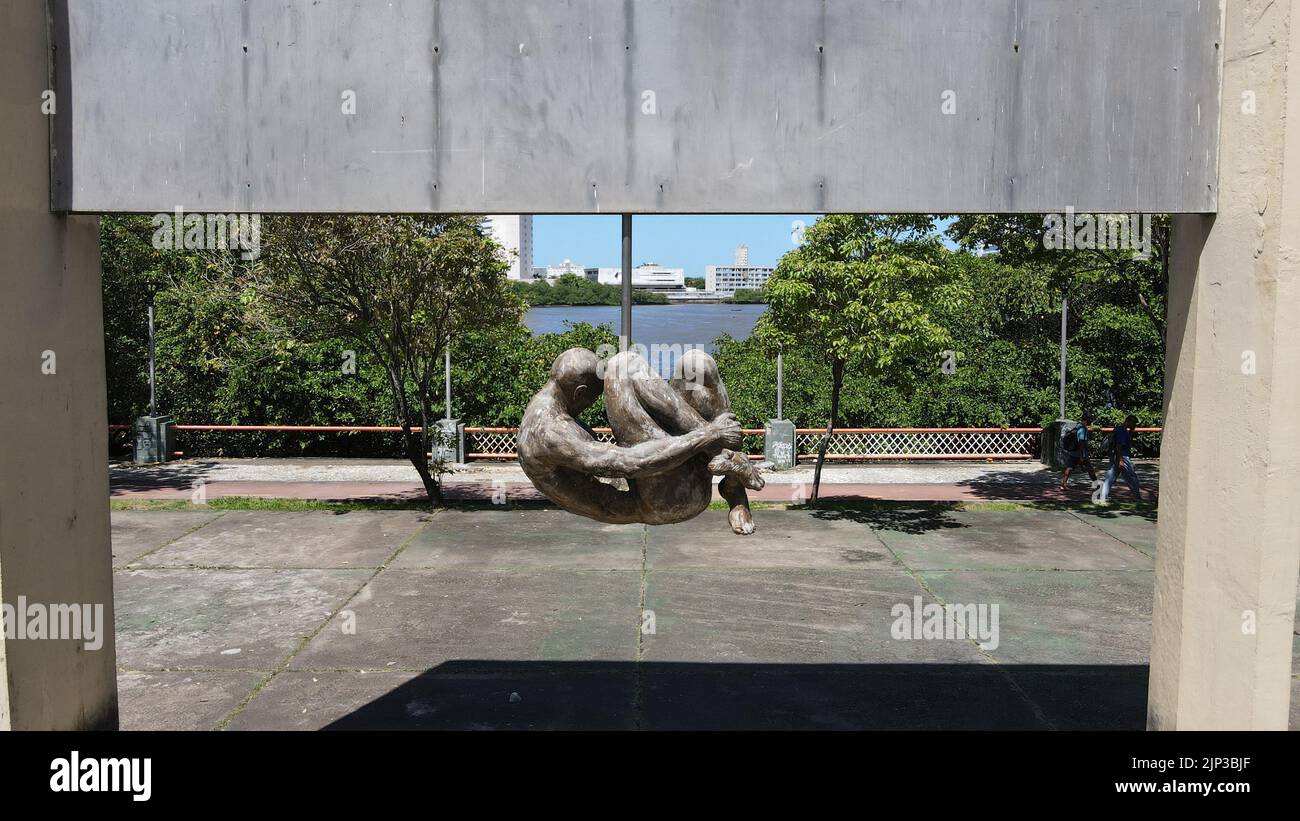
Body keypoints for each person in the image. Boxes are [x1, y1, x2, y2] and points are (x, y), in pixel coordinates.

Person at [517, 347, 764, 535]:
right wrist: (709, 434)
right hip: (659, 500)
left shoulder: (548, 404)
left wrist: (710, 436)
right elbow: (630, 464)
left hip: (670, 480)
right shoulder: (549, 431)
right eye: (592, 399)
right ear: (579, 392)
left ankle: (733, 486)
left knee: (698, 367)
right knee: (622, 366)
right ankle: (724, 452)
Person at [1099, 415, 1143, 502]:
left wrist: (1131, 431)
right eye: (1134, 423)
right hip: (1123, 457)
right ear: (1129, 421)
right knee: (1132, 477)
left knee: (1110, 478)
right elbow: (1119, 446)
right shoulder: (1122, 431)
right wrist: (1121, 460)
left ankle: (1103, 497)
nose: (1134, 425)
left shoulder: (1118, 429)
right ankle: (1137, 497)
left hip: (1115, 456)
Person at [1058, 412, 1098, 491]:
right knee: (1090, 469)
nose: (1091, 421)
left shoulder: (1077, 426)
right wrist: (1082, 455)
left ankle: (1063, 484)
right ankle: (1097, 485)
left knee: (1069, 467)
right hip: (1080, 453)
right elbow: (1081, 442)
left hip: (1074, 452)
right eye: (1090, 420)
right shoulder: (1083, 428)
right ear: (1087, 420)